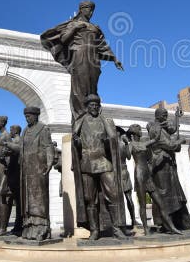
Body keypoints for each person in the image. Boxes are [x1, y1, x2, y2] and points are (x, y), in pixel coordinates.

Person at [40, 1, 124, 122]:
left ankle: (93, 115)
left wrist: (114, 58)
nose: (91, 12)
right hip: (79, 56)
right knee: (79, 87)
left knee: (92, 87)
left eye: (92, 10)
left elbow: (102, 45)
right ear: (82, 9)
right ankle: (80, 118)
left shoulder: (95, 28)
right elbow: (63, 39)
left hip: (93, 59)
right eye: (89, 9)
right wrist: (74, 28)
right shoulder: (72, 24)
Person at [72, 94, 128, 240]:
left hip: (103, 162)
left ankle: (116, 229)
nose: (94, 107)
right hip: (87, 163)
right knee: (90, 199)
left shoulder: (106, 121)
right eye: (91, 105)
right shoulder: (80, 122)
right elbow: (75, 142)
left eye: (96, 105)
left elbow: (113, 139)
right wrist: (76, 142)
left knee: (114, 195)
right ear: (87, 107)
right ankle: (94, 230)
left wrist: (108, 141)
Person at [5, 106, 54, 241]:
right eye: (26, 116)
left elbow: (48, 146)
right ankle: (29, 227)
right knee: (27, 199)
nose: (27, 119)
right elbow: (20, 148)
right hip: (26, 170)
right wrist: (9, 147)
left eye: (29, 116)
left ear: (36, 116)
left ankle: (41, 228)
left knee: (39, 198)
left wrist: (49, 163)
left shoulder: (43, 129)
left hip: (39, 168)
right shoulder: (25, 130)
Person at [146, 107, 190, 232]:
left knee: (175, 193)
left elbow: (172, 133)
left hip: (168, 166)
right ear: (159, 116)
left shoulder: (162, 128)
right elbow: (169, 145)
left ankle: (178, 221)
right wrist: (180, 141)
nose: (166, 118)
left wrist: (176, 118)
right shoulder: (155, 128)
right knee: (165, 194)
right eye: (165, 115)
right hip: (161, 167)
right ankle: (164, 223)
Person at [126, 124, 181, 235]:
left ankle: (172, 227)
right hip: (139, 175)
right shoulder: (131, 145)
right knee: (143, 204)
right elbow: (126, 156)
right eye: (138, 128)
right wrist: (125, 141)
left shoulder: (144, 143)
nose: (140, 129)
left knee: (161, 203)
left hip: (147, 176)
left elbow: (155, 139)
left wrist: (160, 127)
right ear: (133, 132)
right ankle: (146, 229)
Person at [5, 124, 23, 236]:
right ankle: (17, 226)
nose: (10, 132)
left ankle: (18, 226)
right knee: (17, 202)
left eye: (11, 130)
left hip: (17, 174)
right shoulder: (15, 141)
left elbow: (19, 151)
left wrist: (8, 148)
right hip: (12, 173)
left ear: (15, 131)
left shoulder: (18, 140)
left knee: (19, 202)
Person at [118, 132, 137, 228]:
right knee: (128, 197)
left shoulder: (112, 144)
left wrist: (126, 144)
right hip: (124, 170)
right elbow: (129, 157)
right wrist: (126, 144)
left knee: (122, 198)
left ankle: (125, 221)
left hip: (117, 172)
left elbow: (129, 157)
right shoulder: (122, 144)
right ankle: (133, 220)